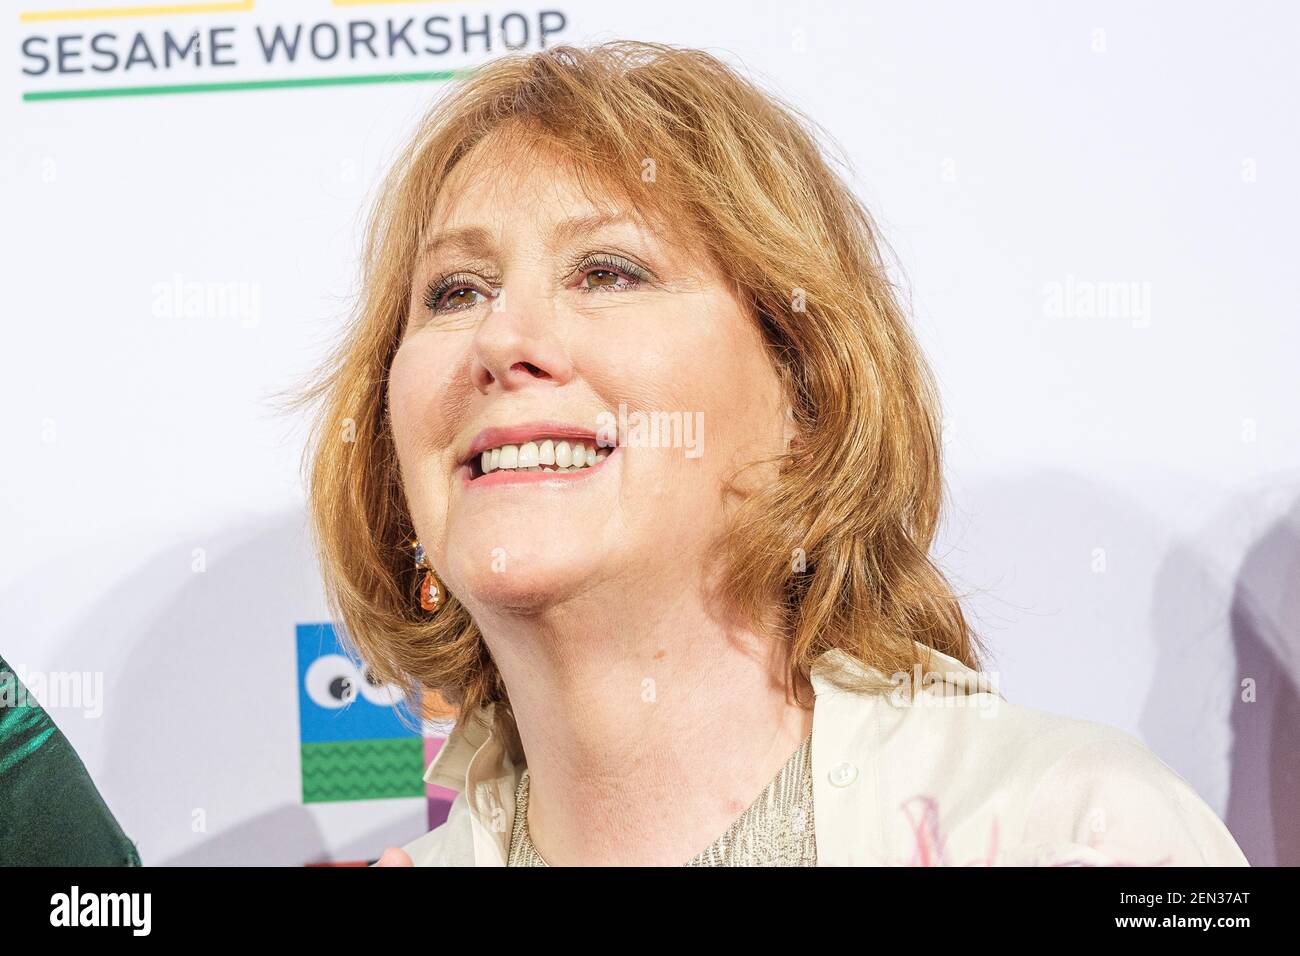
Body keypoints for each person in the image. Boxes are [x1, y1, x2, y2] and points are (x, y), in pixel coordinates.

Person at [298, 41, 1248, 866]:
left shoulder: (1071, 831)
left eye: (609, 272)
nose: (502, 342)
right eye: (456, 291)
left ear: (804, 393)